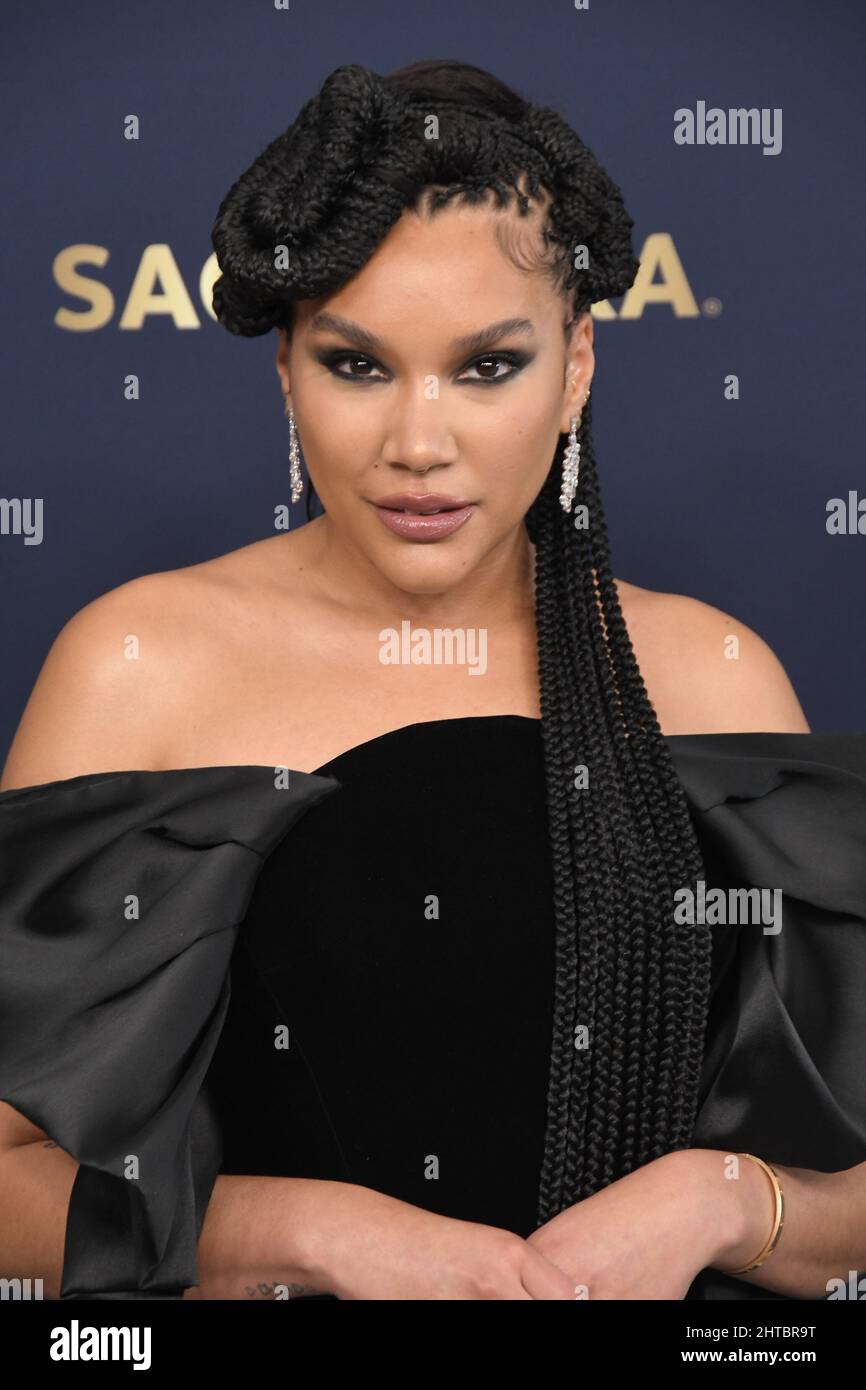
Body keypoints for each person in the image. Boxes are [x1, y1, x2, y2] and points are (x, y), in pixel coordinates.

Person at [1, 59, 864, 1303]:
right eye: (357, 365)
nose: (418, 443)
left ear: (574, 367)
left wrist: (719, 1200)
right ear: (283, 369)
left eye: (485, 367)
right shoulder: (139, 662)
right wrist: (303, 1231)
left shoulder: (710, 677)